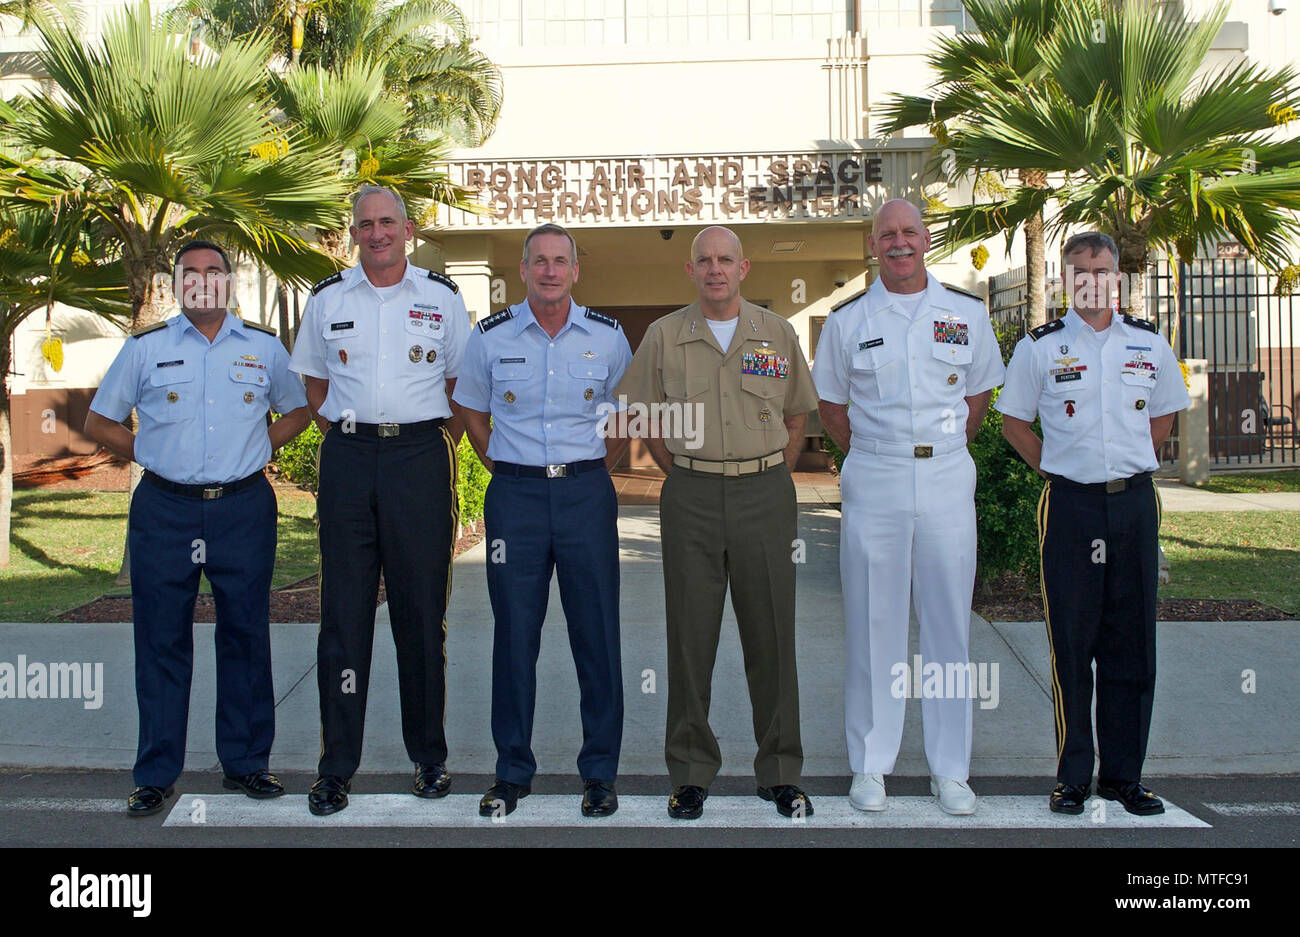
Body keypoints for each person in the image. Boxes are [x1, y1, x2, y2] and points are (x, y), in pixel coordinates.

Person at [85, 239, 310, 816]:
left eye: (215, 271)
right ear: (176, 283)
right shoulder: (145, 348)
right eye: (192, 272)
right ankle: (156, 773)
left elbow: (300, 408)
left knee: (245, 636)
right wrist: (152, 452)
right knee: (161, 640)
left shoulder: (262, 347)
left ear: (229, 282)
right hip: (165, 509)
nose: (203, 280)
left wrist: (261, 448)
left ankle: (247, 764)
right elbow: (98, 420)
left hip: (242, 507)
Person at [613, 225, 818, 820]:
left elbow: (798, 412)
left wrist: (769, 469)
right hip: (692, 496)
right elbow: (641, 411)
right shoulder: (663, 335)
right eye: (703, 259)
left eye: (726, 259)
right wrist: (679, 464)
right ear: (690, 270)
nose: (715, 269)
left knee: (773, 635)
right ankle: (691, 772)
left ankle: (780, 772)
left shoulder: (776, 332)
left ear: (744, 267)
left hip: (765, 493)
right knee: (689, 636)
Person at [813, 199, 1004, 815]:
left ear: (926, 239)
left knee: (949, 624)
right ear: (872, 246)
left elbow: (979, 396)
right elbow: (833, 411)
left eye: (909, 232)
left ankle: (951, 770)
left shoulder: (967, 314)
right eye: (886, 234)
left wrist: (938, 449)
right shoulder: (846, 321)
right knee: (875, 622)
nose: (898, 243)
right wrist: (880, 453)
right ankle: (871, 765)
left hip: (948, 474)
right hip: (876, 474)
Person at [289, 186, 469, 816]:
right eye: (365, 224)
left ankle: (429, 759)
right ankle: (335, 767)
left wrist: (418, 439)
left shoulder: (442, 298)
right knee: (344, 618)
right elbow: (312, 379)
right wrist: (345, 431)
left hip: (419, 459)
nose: (377, 232)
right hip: (348, 458)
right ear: (355, 232)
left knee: (421, 615)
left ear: (409, 229)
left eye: (387, 222)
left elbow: (459, 382)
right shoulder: (328, 299)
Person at [997, 231, 1189, 816]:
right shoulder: (1040, 347)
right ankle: (1074, 775)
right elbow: (1014, 424)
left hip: (1132, 504)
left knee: (1133, 644)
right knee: (1072, 645)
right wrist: (1059, 471)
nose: (1092, 280)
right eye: (1080, 271)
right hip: (1072, 508)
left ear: (1117, 278)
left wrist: (1123, 472)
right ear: (1064, 278)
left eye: (1102, 270)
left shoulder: (1148, 344)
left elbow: (1163, 419)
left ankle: (1124, 777)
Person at [451, 223, 631, 819]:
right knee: (514, 635)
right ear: (523, 270)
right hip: (516, 500)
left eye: (561, 261)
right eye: (539, 262)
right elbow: (473, 412)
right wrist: (508, 467)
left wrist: (582, 472)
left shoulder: (608, 339)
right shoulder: (489, 337)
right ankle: (511, 772)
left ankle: (600, 772)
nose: (550, 271)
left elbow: (619, 421)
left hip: (585, 495)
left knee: (597, 634)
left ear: (576, 271)